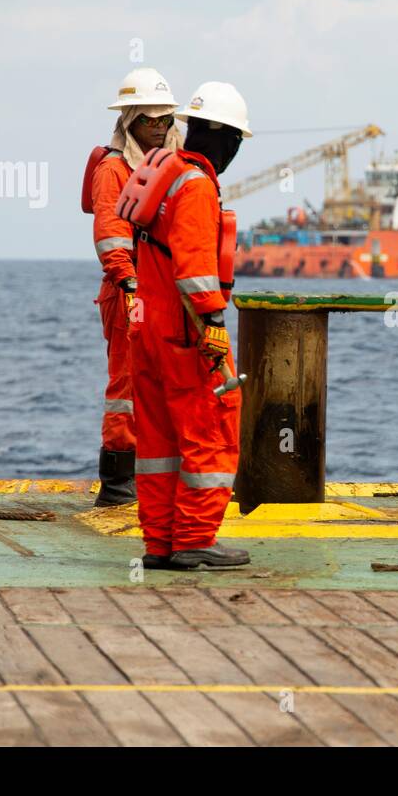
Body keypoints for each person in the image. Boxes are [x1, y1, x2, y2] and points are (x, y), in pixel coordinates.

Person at [123, 81, 252, 569]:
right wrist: (214, 323)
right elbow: (196, 268)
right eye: (236, 140)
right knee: (210, 428)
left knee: (158, 441)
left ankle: (160, 541)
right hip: (186, 330)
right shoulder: (197, 185)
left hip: (147, 328)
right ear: (224, 137)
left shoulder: (165, 173)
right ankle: (195, 539)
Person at [90, 67, 182, 506]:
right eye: (151, 120)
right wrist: (128, 284)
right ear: (131, 121)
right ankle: (117, 482)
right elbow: (110, 234)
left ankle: (156, 475)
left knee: (164, 386)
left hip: (163, 293)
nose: (161, 129)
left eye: (166, 120)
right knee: (126, 389)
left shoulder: (171, 166)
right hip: (128, 292)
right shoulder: (112, 169)